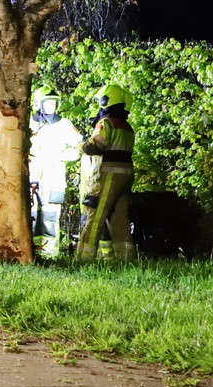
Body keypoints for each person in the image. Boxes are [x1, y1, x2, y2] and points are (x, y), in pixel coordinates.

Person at [76, 83, 136, 261]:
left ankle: (84, 258)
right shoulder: (126, 125)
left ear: (105, 100)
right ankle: (125, 259)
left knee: (96, 215)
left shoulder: (106, 122)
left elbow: (97, 146)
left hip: (110, 174)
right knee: (119, 219)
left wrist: (81, 146)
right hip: (127, 176)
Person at [29, 87, 82, 258]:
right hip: (33, 175)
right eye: (48, 102)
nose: (52, 106)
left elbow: (79, 148)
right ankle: (32, 252)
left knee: (51, 216)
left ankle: (50, 254)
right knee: (32, 214)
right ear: (39, 104)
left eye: (54, 103)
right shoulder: (30, 123)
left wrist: (61, 156)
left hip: (54, 176)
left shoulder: (64, 124)